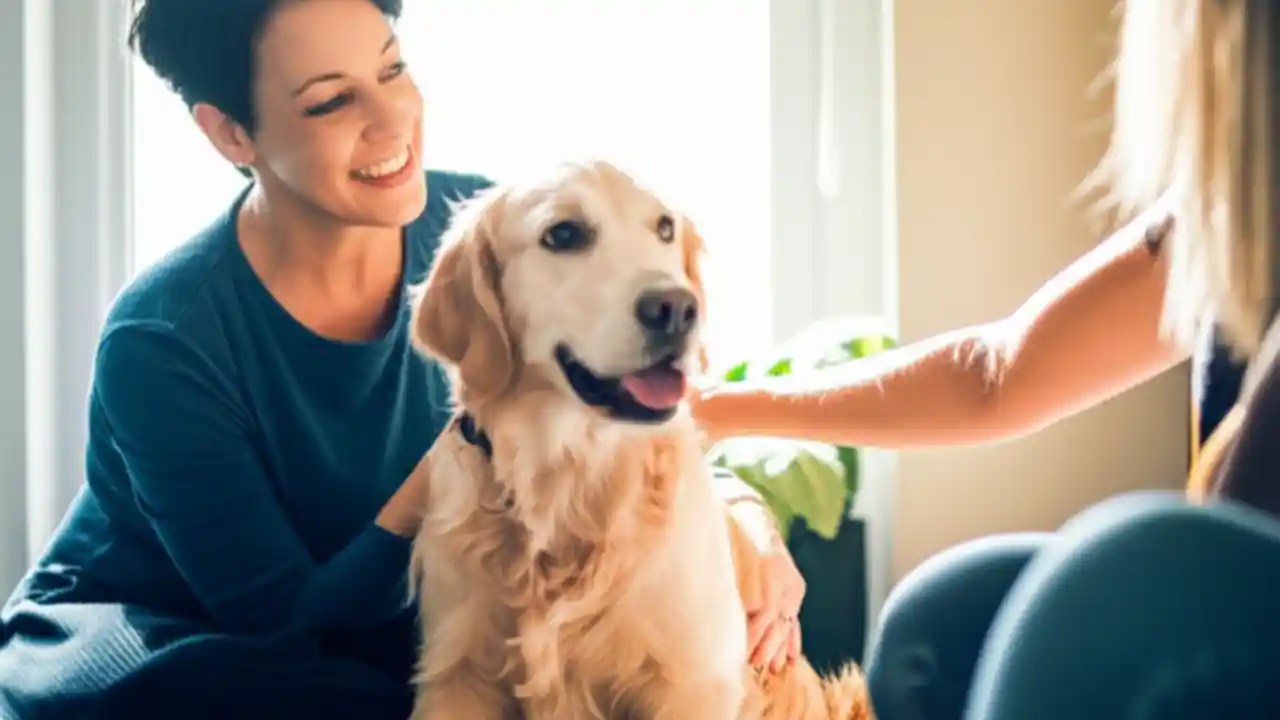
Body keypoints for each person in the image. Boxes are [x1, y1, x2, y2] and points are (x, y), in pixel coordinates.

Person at [0, 1, 805, 717]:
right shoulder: (163, 339)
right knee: (357, 690)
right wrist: (467, 447)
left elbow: (613, 383)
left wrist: (741, 515)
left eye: (393, 70)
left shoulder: (488, 233)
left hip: (385, 616)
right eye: (330, 101)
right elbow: (281, 619)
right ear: (230, 132)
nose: (393, 126)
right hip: (174, 634)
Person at [693, 0, 1280, 717]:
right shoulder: (1231, 212)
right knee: (941, 622)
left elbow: (1230, 510)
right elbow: (996, 374)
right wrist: (710, 411)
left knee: (1132, 565)